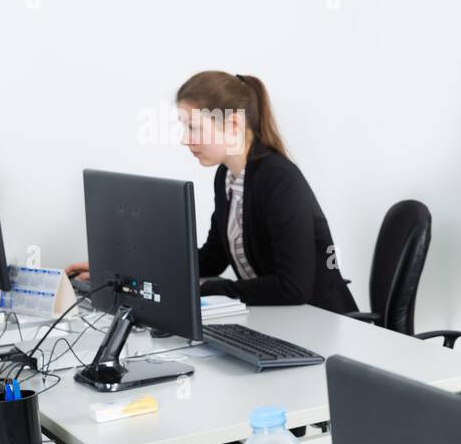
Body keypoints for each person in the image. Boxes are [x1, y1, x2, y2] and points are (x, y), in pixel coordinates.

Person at [68, 71, 356, 314]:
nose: (185, 139)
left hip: (322, 322)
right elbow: (212, 258)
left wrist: (209, 289)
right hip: (283, 321)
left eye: (194, 128)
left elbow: (293, 288)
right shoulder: (228, 176)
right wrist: (120, 270)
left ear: (232, 125)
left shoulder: (278, 179)